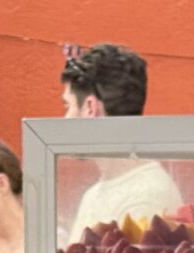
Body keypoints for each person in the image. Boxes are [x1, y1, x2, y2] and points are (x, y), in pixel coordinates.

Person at [60, 43, 183, 239]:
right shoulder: (94, 194)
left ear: (90, 108)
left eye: (68, 106)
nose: (65, 119)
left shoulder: (147, 196)